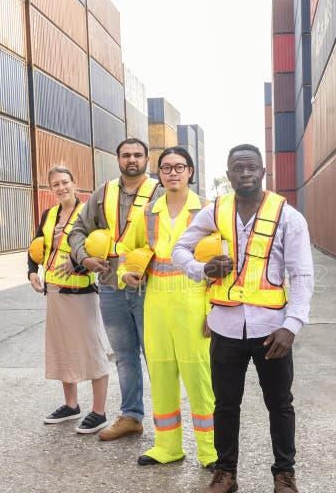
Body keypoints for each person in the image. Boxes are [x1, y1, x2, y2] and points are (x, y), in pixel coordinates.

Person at [172, 144, 314, 493]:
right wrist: (201, 269)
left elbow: (301, 274)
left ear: (263, 171)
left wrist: (292, 325)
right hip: (226, 328)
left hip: (272, 330)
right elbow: (179, 250)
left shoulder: (287, 216)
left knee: (280, 404)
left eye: (252, 167)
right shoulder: (214, 211)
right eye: (238, 168)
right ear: (229, 173)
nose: (245, 173)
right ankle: (225, 473)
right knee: (225, 405)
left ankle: (285, 475)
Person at [117, 146, 217, 468]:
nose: (172, 173)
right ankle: (167, 446)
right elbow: (125, 248)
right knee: (160, 375)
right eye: (166, 168)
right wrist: (125, 273)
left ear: (190, 171)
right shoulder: (148, 212)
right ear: (159, 174)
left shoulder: (207, 211)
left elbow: (221, 262)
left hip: (193, 303)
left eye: (179, 167)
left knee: (199, 378)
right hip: (156, 304)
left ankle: (210, 452)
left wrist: (213, 309)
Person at [66, 138, 164, 440]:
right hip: (111, 287)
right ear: (117, 159)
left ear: (147, 159)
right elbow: (77, 230)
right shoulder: (103, 193)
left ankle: (167, 425)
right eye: (126, 155)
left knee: (156, 356)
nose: (132, 160)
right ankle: (131, 416)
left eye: (137, 155)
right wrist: (84, 258)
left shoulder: (160, 192)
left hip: (150, 288)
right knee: (124, 355)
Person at [27, 165, 110, 434]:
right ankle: (71, 405)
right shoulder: (49, 214)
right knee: (61, 349)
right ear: (50, 188)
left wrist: (79, 264)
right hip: (54, 291)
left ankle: (99, 411)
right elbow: (37, 245)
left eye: (65, 182)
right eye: (56, 184)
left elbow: (101, 247)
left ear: (74, 183)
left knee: (91, 350)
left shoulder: (88, 213)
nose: (61, 187)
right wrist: (31, 271)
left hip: (80, 292)